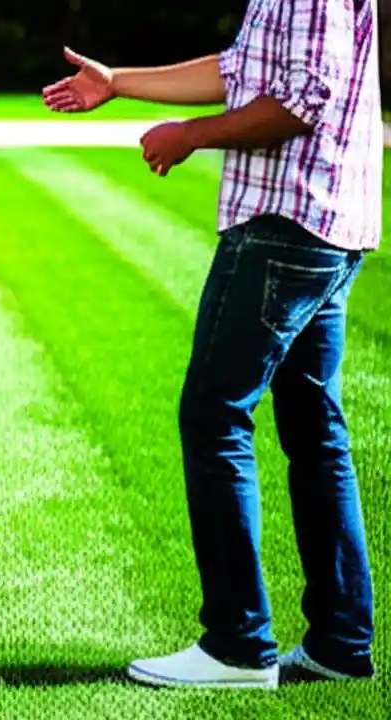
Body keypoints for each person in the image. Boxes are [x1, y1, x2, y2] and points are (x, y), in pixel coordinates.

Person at [43, 0, 379, 691]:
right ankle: (341, 645)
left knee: (214, 415)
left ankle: (238, 645)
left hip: (284, 223)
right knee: (316, 432)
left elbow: (303, 98)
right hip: (324, 225)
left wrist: (192, 135)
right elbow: (241, 70)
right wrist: (117, 81)